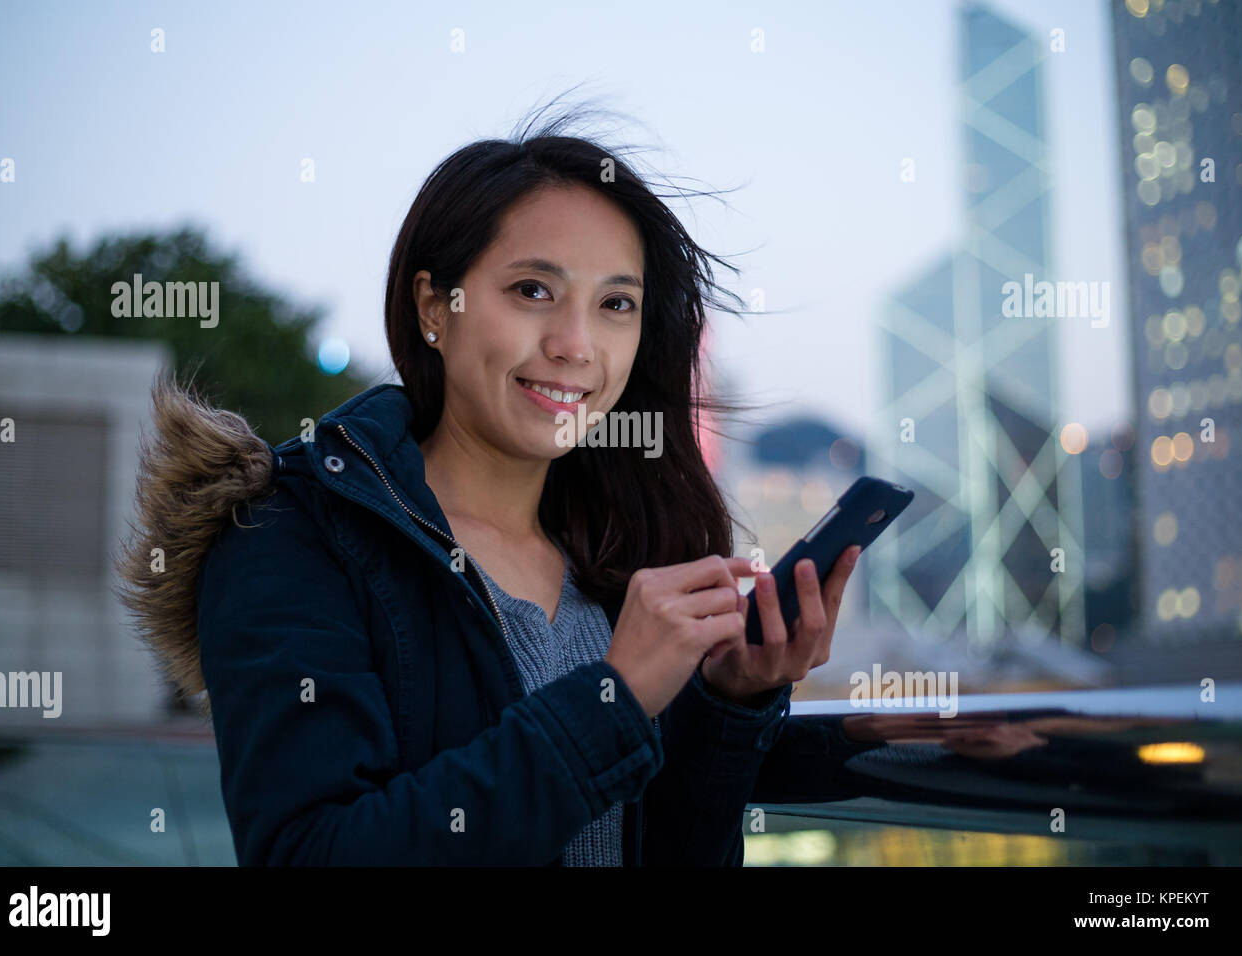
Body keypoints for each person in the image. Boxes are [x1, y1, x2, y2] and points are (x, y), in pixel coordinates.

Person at [115, 100, 863, 866]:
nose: (576, 346)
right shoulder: (291, 536)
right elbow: (312, 853)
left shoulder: (625, 556)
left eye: (615, 304)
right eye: (533, 290)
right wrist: (614, 698)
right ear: (435, 306)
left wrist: (731, 702)